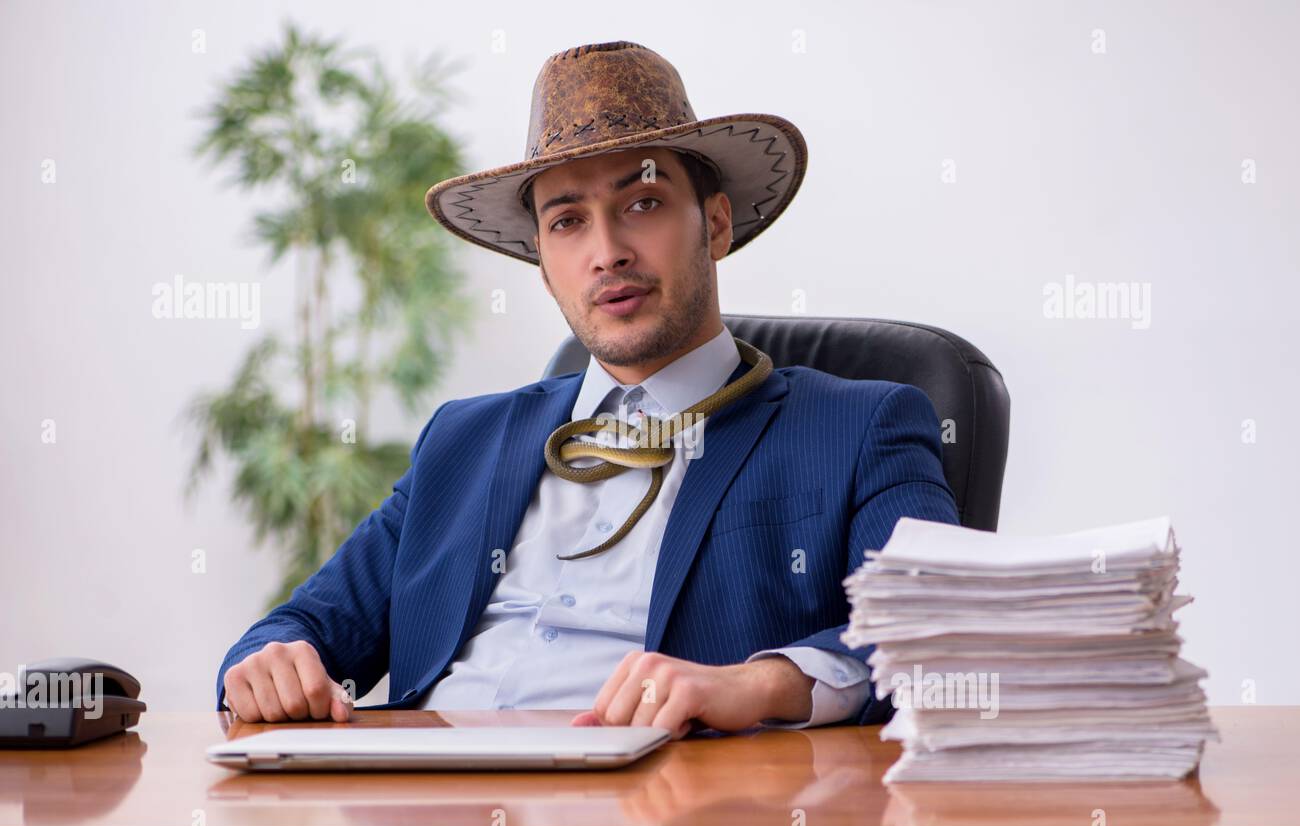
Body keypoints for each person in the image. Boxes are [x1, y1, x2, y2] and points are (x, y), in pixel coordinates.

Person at [215, 40, 959, 738]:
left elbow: (939, 640)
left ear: (717, 223)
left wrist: (757, 685)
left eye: (643, 203)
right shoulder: (461, 440)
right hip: (430, 802)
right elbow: (300, 627)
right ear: (542, 263)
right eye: (568, 221)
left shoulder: (862, 425)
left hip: (666, 813)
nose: (607, 253)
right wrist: (274, 661)